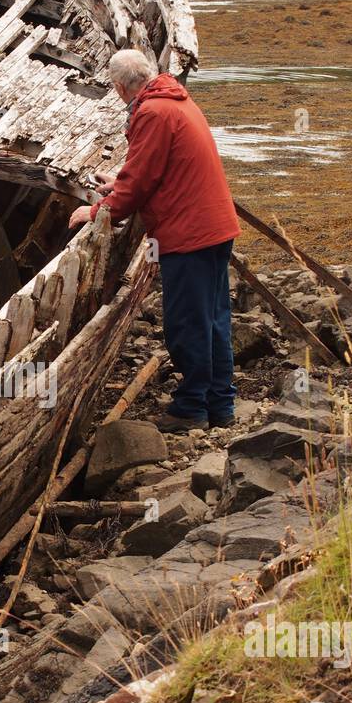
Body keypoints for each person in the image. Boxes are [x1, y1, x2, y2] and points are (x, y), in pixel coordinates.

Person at [68, 49, 240, 433]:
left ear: (118, 86)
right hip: (214, 226)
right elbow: (155, 167)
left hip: (189, 233)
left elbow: (139, 186)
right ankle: (220, 404)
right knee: (213, 317)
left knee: (186, 321)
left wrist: (96, 212)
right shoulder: (174, 100)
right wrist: (121, 180)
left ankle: (191, 407)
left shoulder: (152, 113)